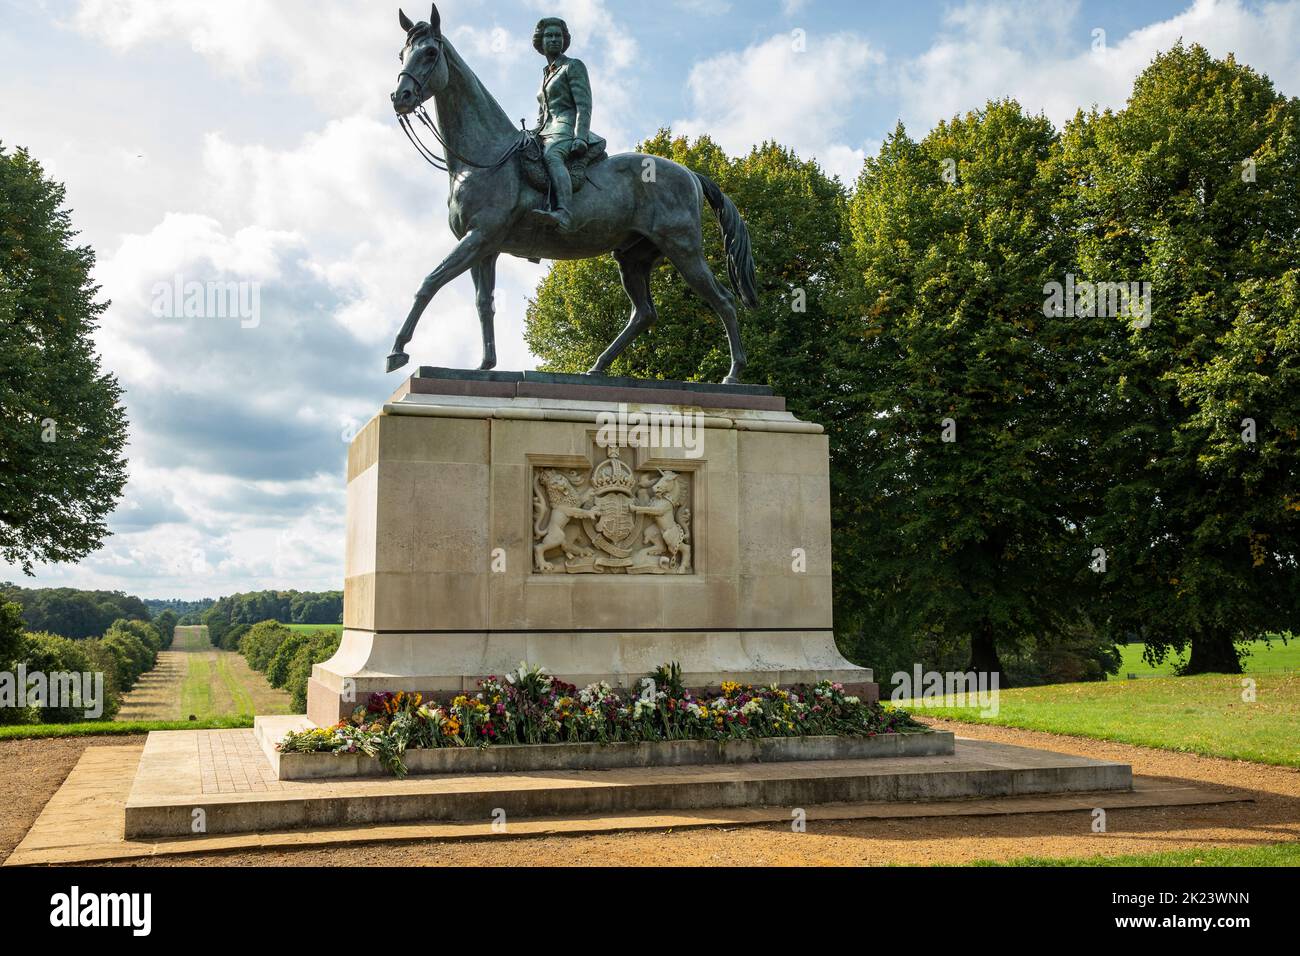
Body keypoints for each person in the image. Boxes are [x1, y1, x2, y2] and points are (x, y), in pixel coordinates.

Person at [530, 17, 602, 233]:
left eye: (558, 36)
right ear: (541, 42)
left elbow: (584, 104)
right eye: (549, 36)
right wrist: (531, 133)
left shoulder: (573, 66)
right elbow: (542, 114)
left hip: (566, 128)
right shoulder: (545, 74)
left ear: (564, 40)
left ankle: (564, 212)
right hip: (545, 131)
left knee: (552, 156)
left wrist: (580, 136)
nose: (554, 39)